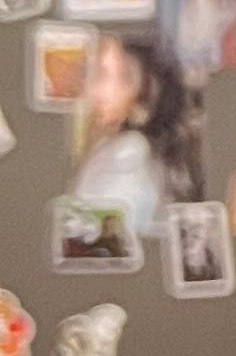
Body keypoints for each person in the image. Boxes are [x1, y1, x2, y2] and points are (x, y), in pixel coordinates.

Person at [70, 32, 197, 234]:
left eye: (124, 77)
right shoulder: (108, 150)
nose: (104, 75)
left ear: (140, 111)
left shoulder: (126, 159)